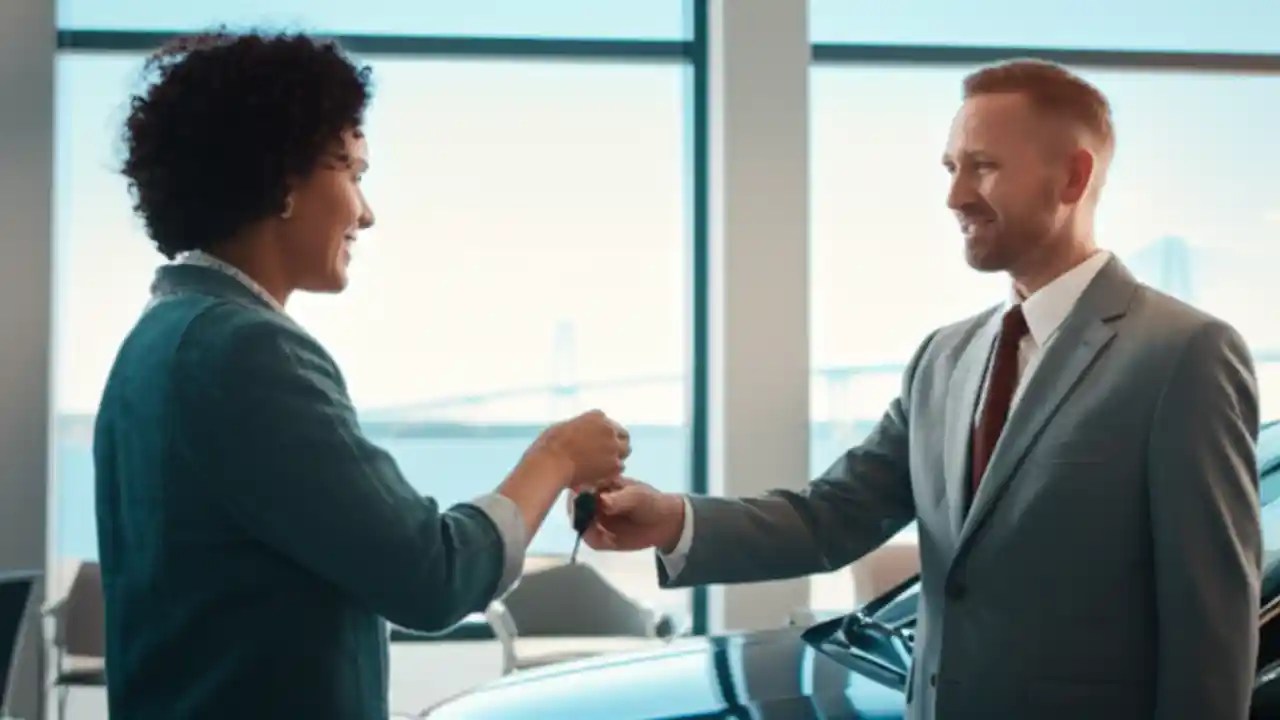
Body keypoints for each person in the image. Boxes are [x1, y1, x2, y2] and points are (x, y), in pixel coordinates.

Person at [577, 59, 1261, 719]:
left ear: (1073, 176)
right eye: (951, 167)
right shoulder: (944, 358)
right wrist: (670, 520)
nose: (955, 196)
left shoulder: (1185, 356)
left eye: (983, 166)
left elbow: (1210, 633)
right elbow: (832, 516)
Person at [92, 31, 630, 720]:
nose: (365, 213)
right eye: (352, 172)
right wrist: (556, 457)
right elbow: (432, 577)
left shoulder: (158, 339)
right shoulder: (245, 352)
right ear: (283, 179)